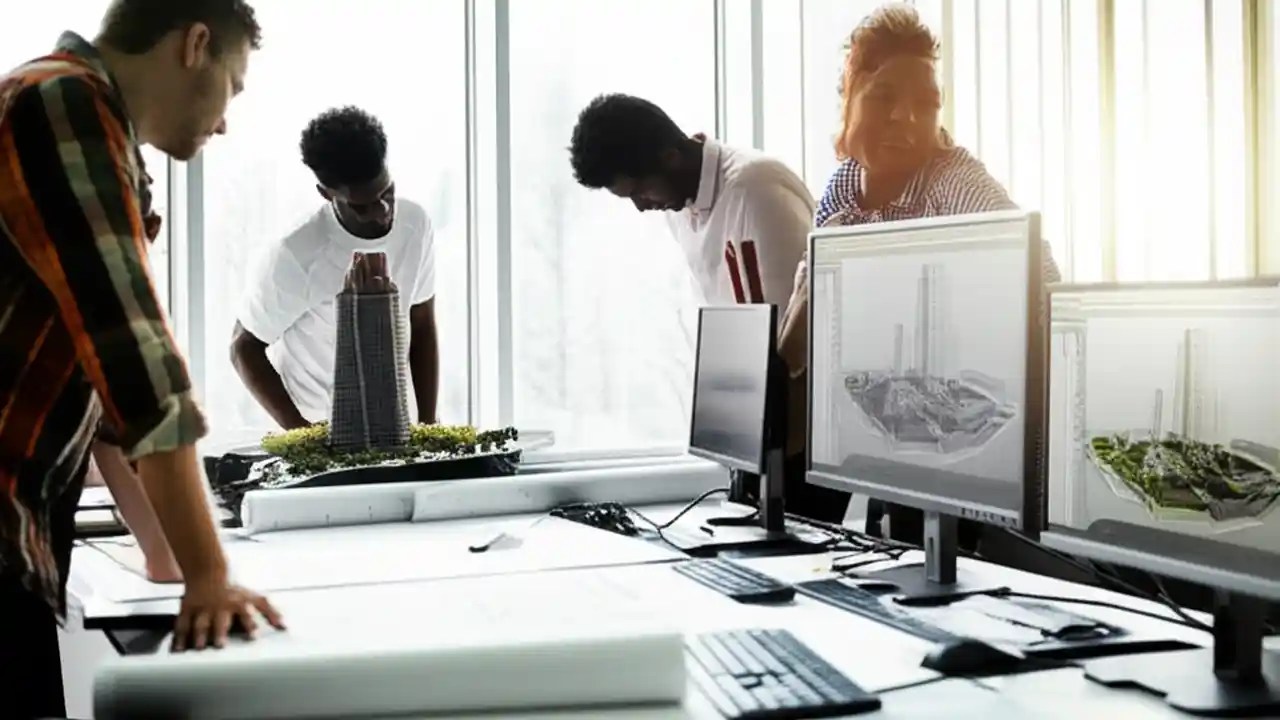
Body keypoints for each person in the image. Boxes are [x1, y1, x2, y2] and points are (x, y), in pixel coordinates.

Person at [0, 1, 284, 715]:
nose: (224, 122)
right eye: (234, 88)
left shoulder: (84, 125)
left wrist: (166, 555)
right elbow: (133, 356)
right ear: (194, 45)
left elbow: (91, 390)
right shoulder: (63, 105)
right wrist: (208, 571)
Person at [778, 3, 1062, 547]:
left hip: (977, 459)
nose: (907, 119)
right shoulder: (839, 193)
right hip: (889, 442)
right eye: (885, 99)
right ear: (848, 101)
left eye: (926, 104)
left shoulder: (958, 187)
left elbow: (1046, 293)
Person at [569, 93, 849, 524]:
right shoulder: (678, 203)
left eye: (640, 191)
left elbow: (811, 328)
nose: (642, 206)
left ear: (671, 156)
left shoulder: (757, 189)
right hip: (752, 422)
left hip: (803, 426)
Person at [231, 106, 441, 430]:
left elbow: (422, 322)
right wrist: (300, 431)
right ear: (326, 194)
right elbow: (243, 347)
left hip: (399, 428)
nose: (382, 211)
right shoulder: (294, 253)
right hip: (321, 431)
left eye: (388, 192)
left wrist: (428, 424)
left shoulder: (416, 224)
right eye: (362, 206)